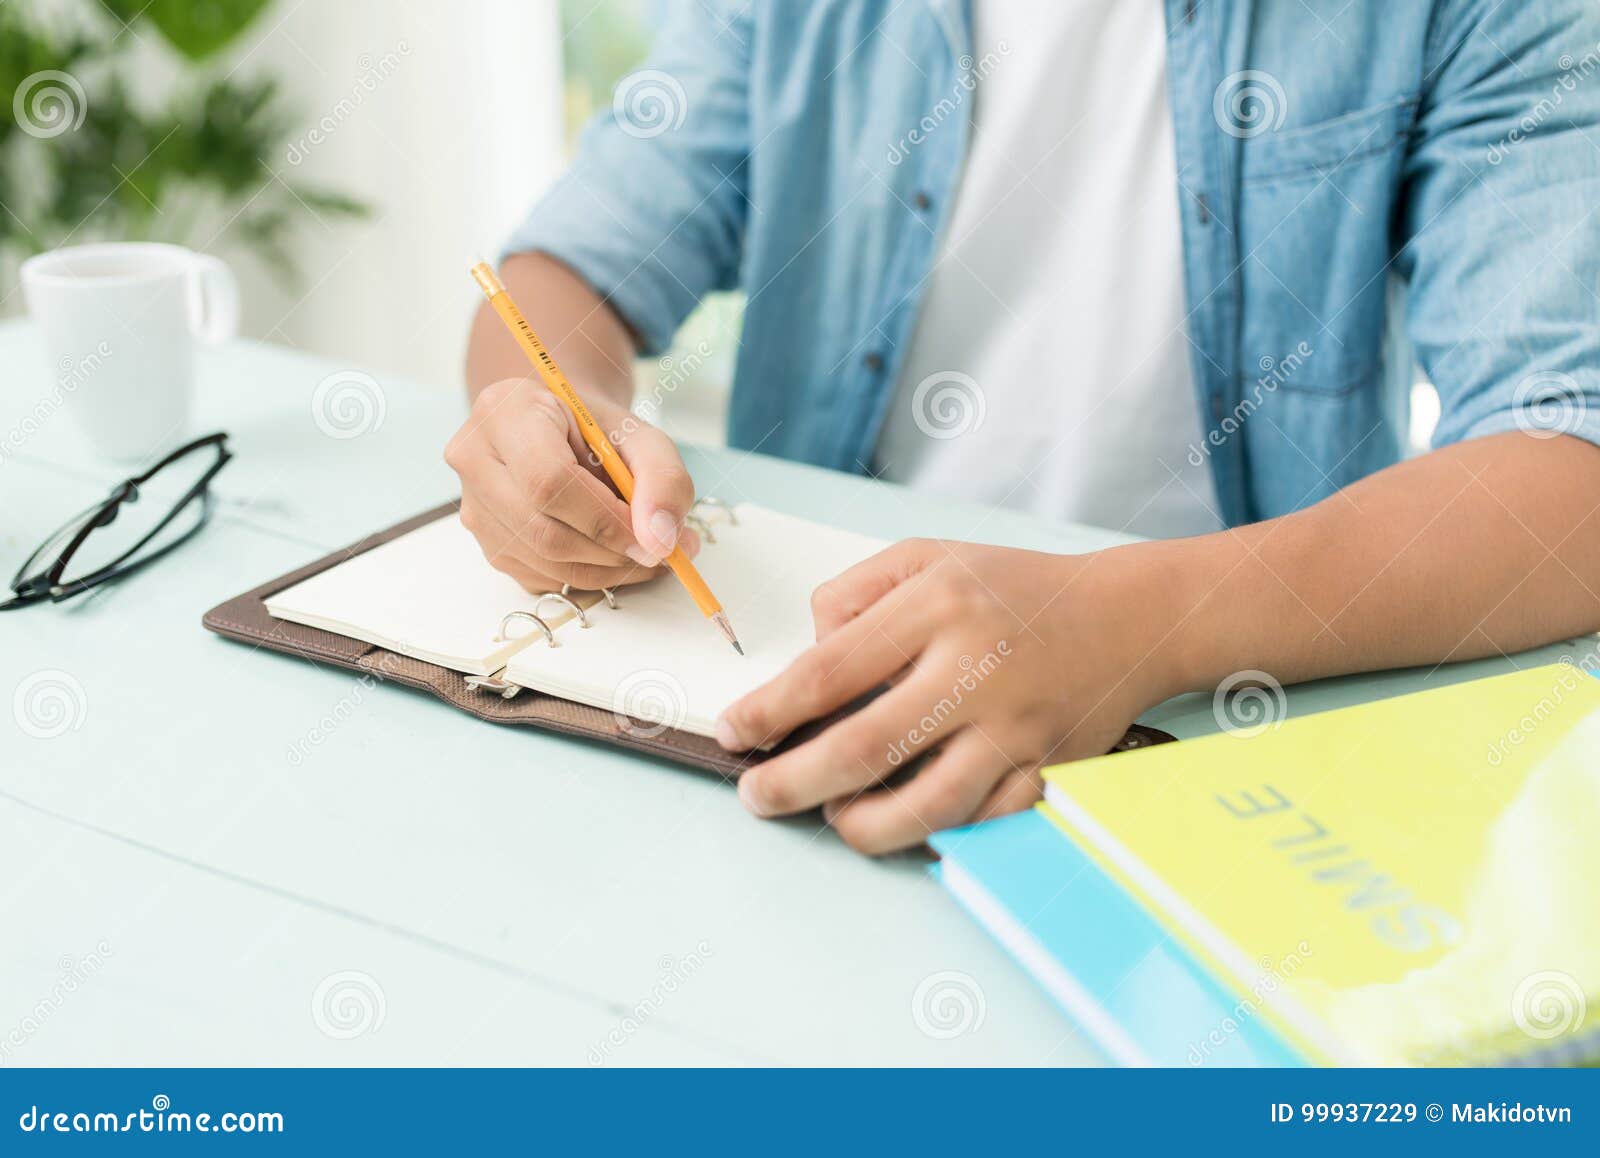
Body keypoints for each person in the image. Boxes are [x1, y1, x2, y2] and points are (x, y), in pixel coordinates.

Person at [452, 1, 1600, 854]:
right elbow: (569, 270)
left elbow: (1571, 460)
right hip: (812, 688)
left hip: (1230, 721)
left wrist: (1142, 620)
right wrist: (559, 416)